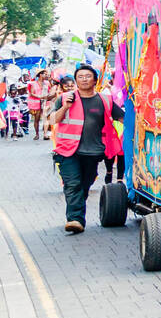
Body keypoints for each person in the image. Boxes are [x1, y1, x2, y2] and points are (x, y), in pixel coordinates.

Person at [49, 64, 124, 234]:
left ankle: (77, 217)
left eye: (87, 76)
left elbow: (122, 118)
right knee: (72, 184)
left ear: (95, 80)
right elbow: (53, 119)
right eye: (80, 77)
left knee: (84, 185)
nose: (84, 79)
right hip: (67, 151)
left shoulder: (105, 100)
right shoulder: (65, 98)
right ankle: (75, 219)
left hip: (93, 152)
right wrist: (65, 107)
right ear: (76, 80)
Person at [27, 69, 50, 140]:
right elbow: (31, 93)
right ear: (40, 74)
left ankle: (45, 133)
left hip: (45, 102)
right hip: (36, 103)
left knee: (46, 118)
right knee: (36, 119)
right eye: (45, 74)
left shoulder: (47, 83)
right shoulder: (33, 83)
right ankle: (37, 134)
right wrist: (39, 97)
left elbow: (50, 91)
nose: (46, 75)